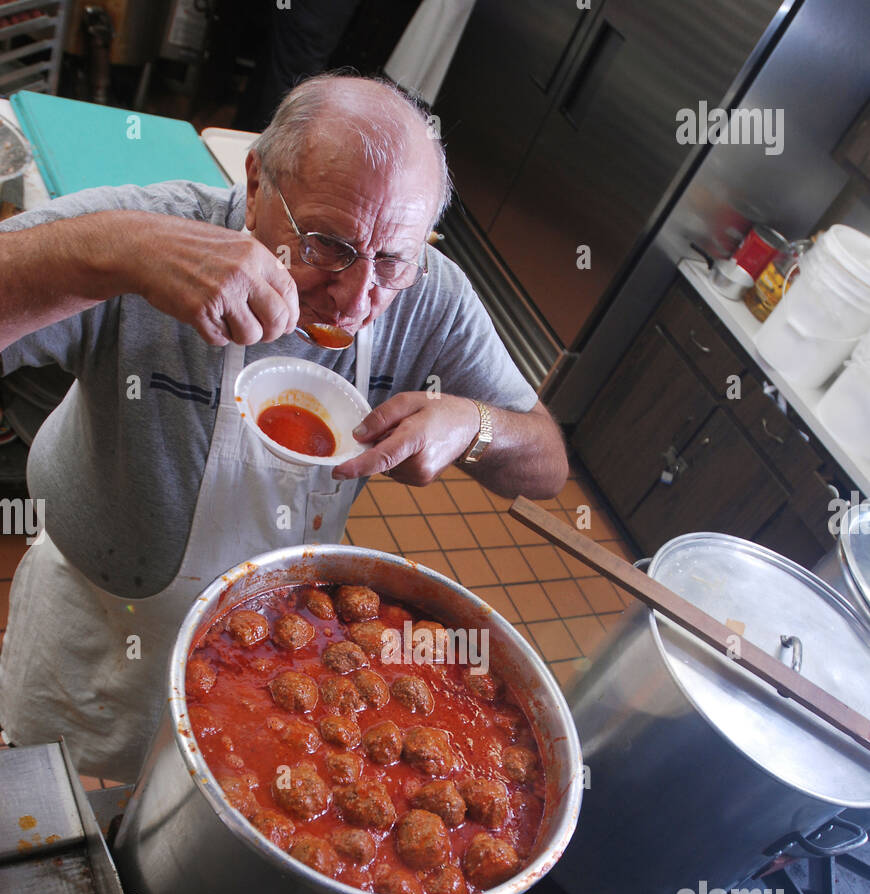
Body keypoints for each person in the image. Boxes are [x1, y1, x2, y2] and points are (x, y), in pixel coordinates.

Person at [0, 74, 568, 783]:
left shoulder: (431, 299)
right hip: (98, 632)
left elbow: (546, 464)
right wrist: (115, 253)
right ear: (257, 183)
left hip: (264, 656)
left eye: (392, 259)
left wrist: (474, 425)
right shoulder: (154, 234)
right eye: (328, 244)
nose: (358, 297)